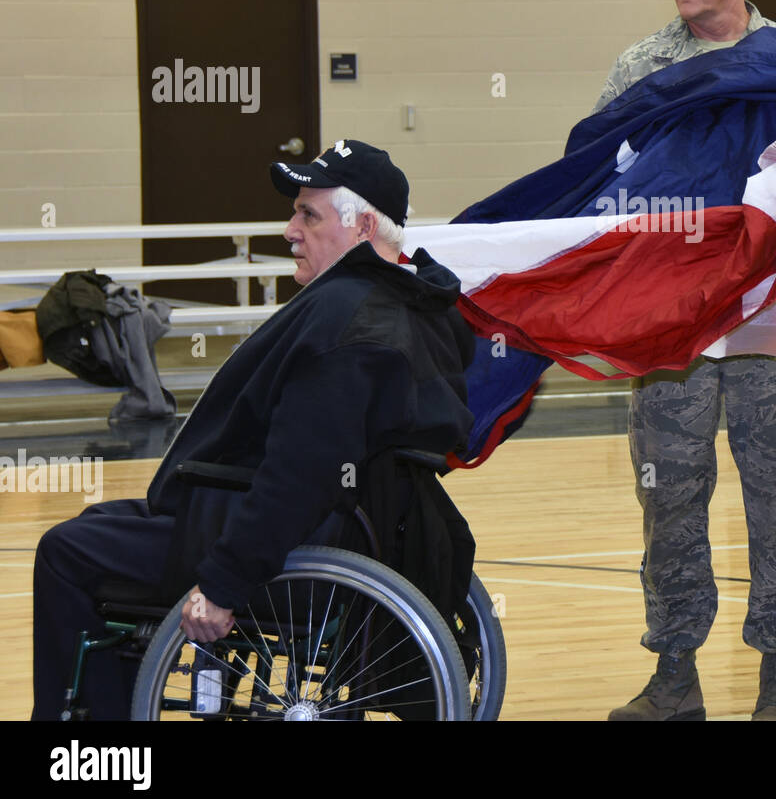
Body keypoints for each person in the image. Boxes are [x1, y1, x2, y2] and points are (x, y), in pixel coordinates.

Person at [31, 140, 476, 719]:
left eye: (307, 215)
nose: (290, 230)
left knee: (67, 552)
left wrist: (222, 584)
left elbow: (300, 474)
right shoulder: (412, 300)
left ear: (363, 225)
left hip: (289, 543)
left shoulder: (349, 325)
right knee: (97, 526)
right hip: (333, 525)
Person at [598, 0, 776, 721]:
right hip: (676, 337)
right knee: (668, 505)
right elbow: (599, 190)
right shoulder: (642, 70)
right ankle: (674, 677)